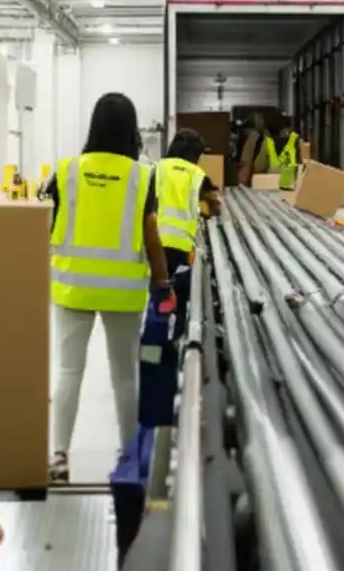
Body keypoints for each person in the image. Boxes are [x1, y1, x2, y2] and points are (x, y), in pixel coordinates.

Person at [44, 92, 171, 484]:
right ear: (132, 129)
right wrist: (163, 282)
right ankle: (130, 453)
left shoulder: (65, 171)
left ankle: (59, 457)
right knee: (125, 375)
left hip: (72, 288)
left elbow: (44, 223)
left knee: (68, 371)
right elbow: (151, 233)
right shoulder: (142, 175)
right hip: (123, 291)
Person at [156, 129, 219, 336]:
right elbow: (211, 209)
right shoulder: (198, 175)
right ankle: (178, 339)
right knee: (181, 299)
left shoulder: (156, 168)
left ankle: (154, 346)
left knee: (157, 297)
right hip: (182, 248)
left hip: (153, 246)